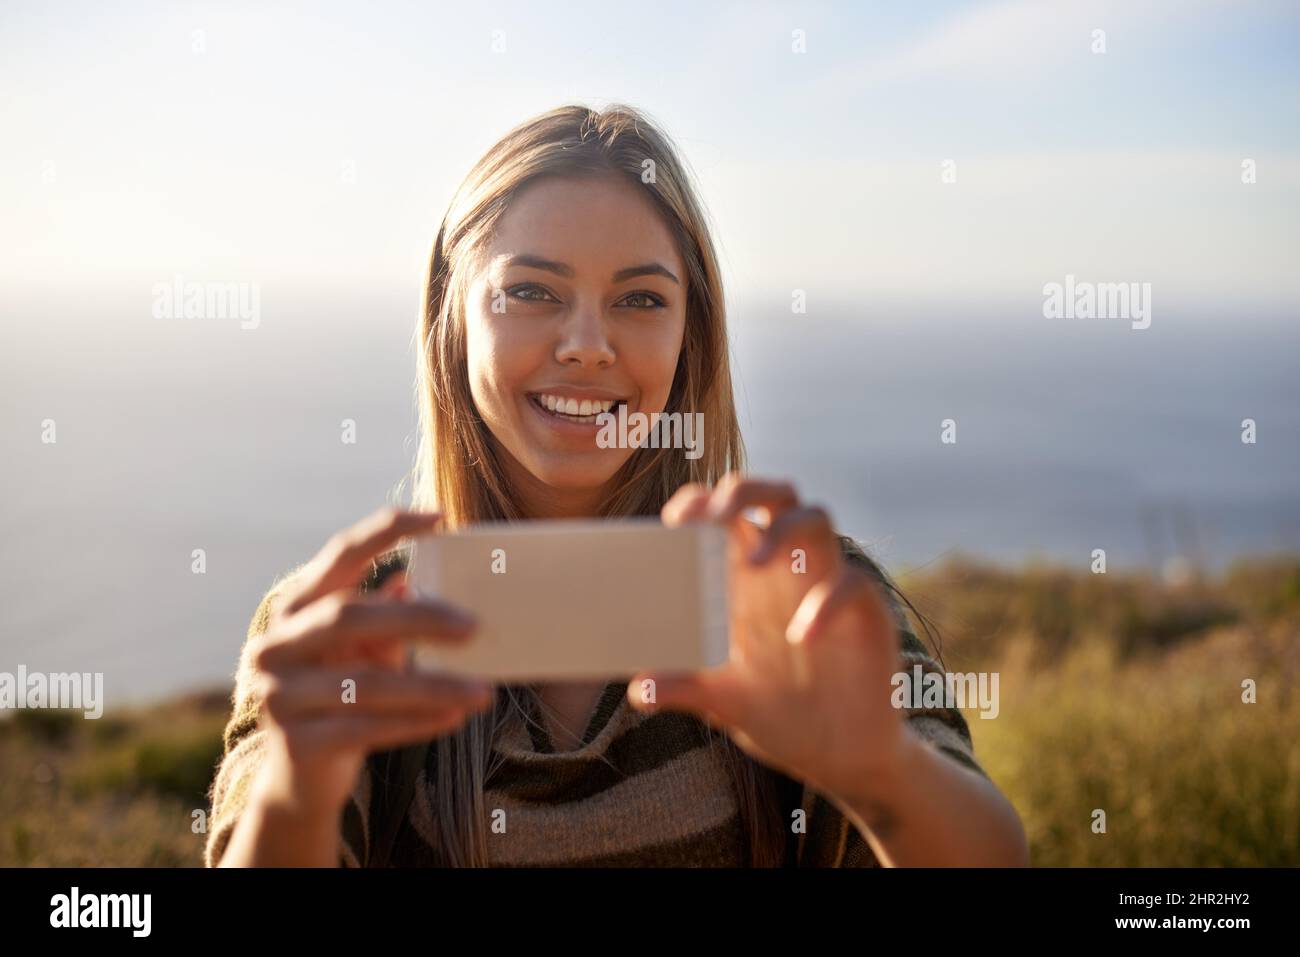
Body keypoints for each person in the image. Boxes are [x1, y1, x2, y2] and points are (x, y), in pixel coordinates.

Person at [207, 103, 1029, 867]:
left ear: (688, 336)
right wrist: (298, 787)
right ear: (450, 317)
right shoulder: (345, 622)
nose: (588, 345)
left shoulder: (798, 597)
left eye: (640, 298)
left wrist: (877, 772)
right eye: (531, 291)